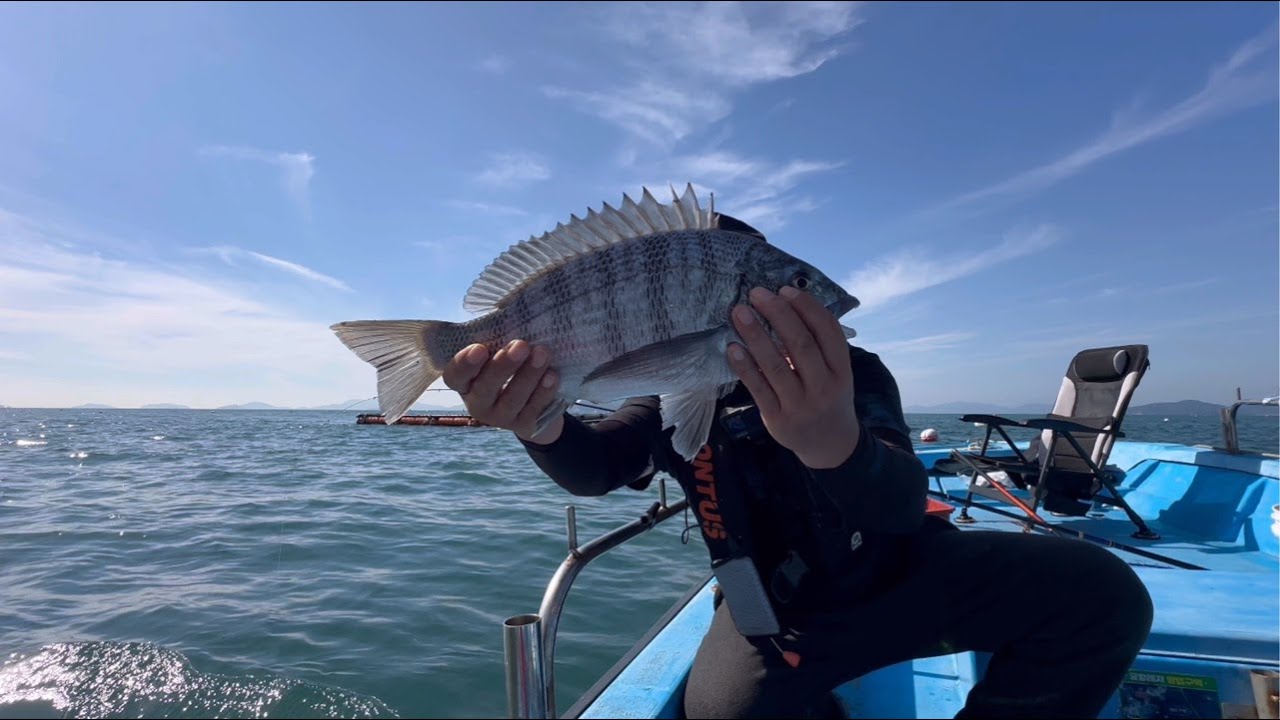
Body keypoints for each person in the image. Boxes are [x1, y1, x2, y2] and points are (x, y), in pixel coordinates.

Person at [441, 216, 1154, 719]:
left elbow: (901, 504)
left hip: (900, 579)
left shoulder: (854, 373)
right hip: (771, 619)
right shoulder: (673, 397)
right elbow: (595, 468)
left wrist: (830, 440)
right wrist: (537, 422)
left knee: (1103, 594)